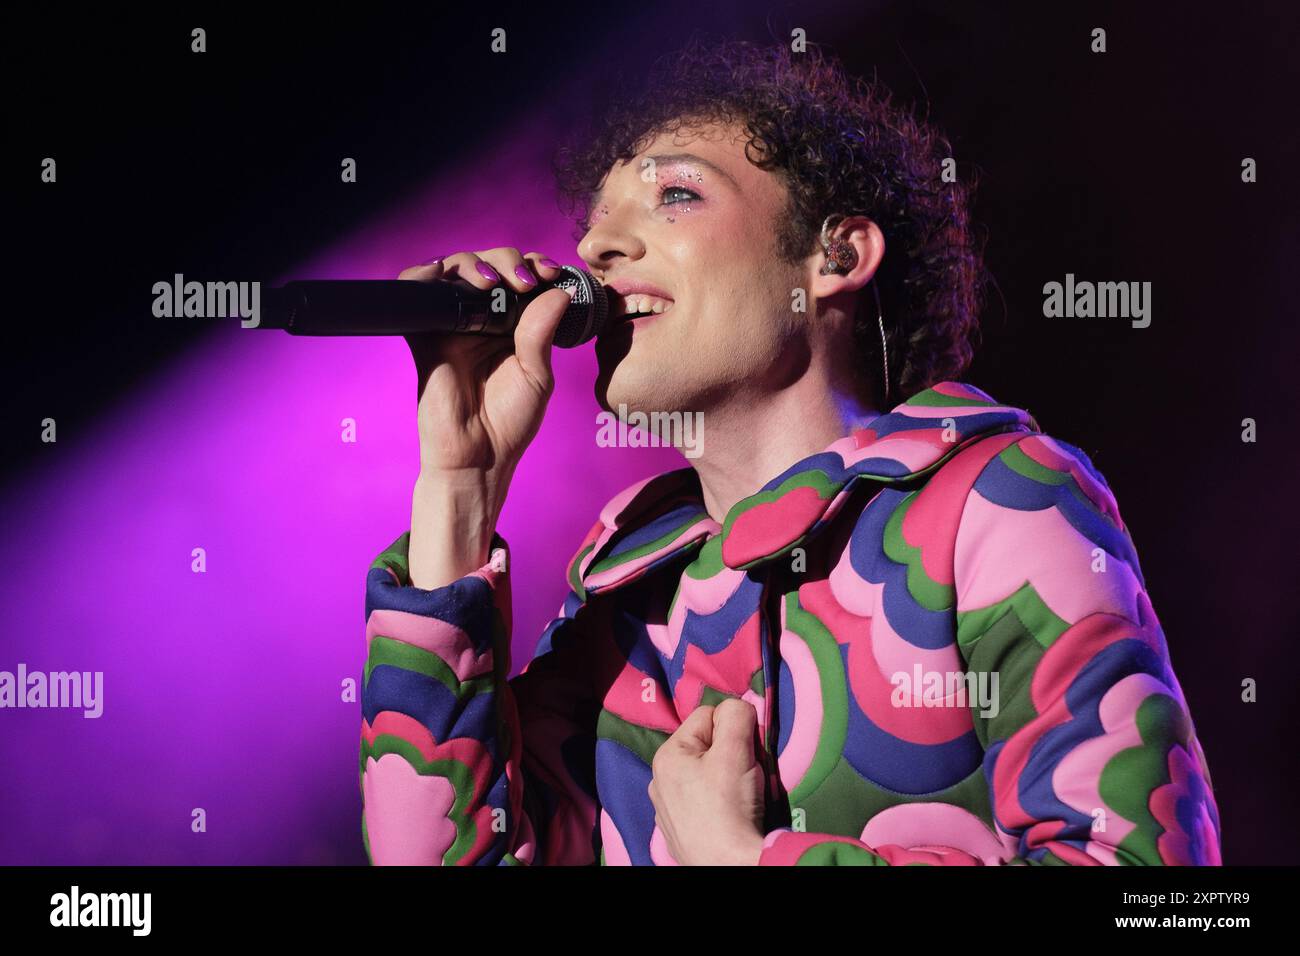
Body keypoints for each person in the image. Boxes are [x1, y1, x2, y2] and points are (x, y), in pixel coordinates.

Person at [357, 39, 1222, 865]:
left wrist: (749, 859)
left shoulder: (995, 502)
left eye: (677, 195)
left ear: (837, 256)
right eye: (594, 220)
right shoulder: (628, 605)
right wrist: (459, 487)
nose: (593, 249)